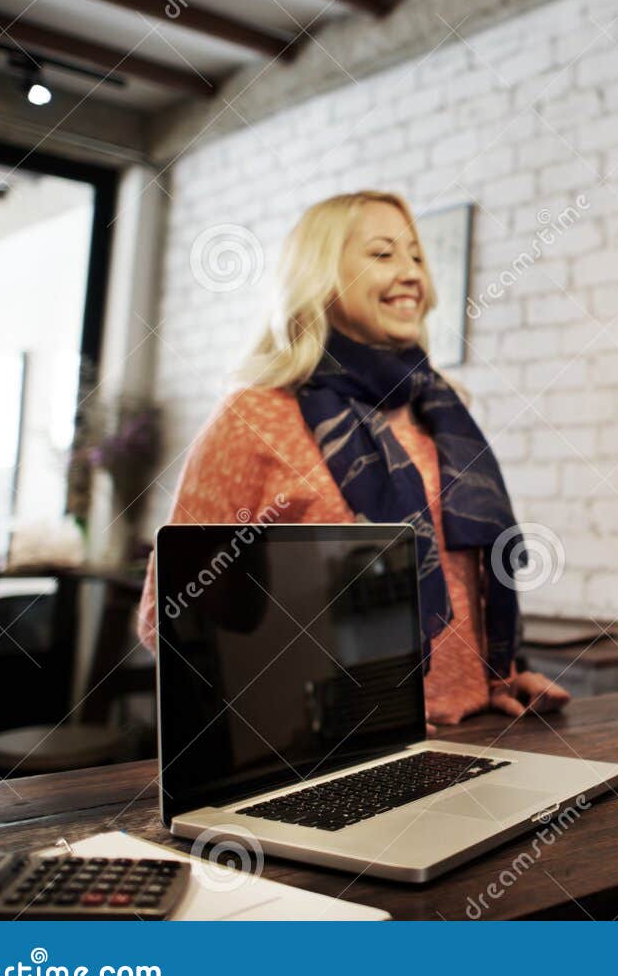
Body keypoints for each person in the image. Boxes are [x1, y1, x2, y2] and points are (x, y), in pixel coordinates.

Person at [136, 190, 569, 726]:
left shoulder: (442, 414)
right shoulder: (255, 417)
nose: (412, 273)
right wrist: (335, 719)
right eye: (383, 254)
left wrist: (499, 675)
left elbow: (463, 585)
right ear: (319, 276)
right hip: (326, 749)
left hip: (477, 730)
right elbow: (172, 615)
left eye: (416, 255)